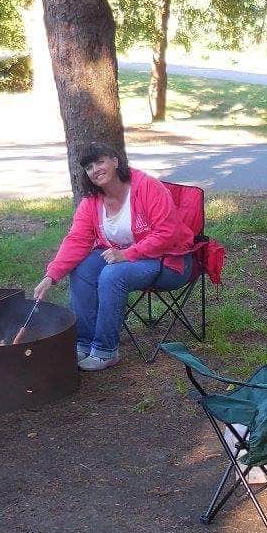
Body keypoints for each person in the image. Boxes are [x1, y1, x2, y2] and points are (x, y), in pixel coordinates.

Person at [34, 142, 194, 370]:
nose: (95, 169)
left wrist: (128, 253)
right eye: (89, 167)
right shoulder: (92, 202)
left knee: (112, 275)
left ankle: (105, 350)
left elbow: (168, 233)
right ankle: (83, 342)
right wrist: (52, 276)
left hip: (167, 261)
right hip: (125, 259)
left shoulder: (147, 187)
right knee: (82, 268)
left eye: (100, 161)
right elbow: (77, 240)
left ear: (115, 161)